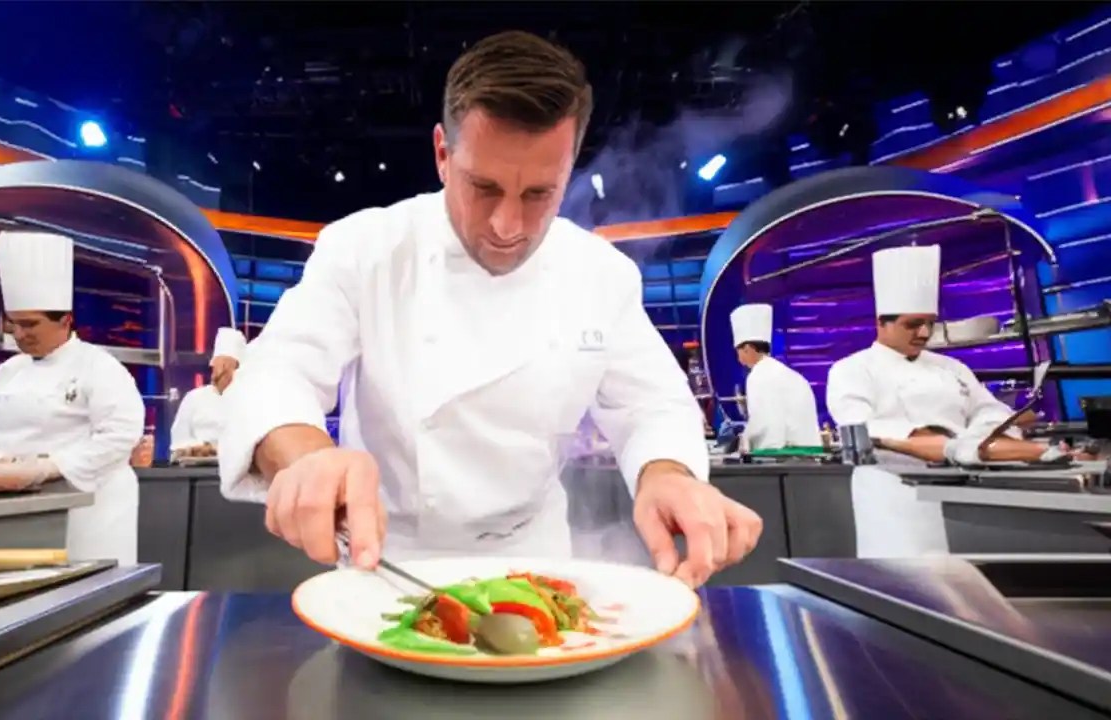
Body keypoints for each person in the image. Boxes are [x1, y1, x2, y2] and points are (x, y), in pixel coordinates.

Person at [217, 30, 763, 587]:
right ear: (441, 154)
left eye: (537, 195)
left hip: (537, 564)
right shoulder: (365, 249)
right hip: (385, 563)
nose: (508, 226)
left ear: (568, 172)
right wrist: (308, 457)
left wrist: (668, 475)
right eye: (484, 187)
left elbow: (653, 407)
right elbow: (278, 373)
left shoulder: (601, 276)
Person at [825, 245, 1061, 557]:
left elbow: (988, 409)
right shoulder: (851, 370)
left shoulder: (952, 367)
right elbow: (866, 427)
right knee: (904, 583)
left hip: (965, 491)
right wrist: (955, 446)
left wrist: (978, 439)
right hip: (895, 498)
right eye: (912, 324)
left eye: (929, 323)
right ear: (881, 322)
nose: (923, 333)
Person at [0, 231, 146, 565]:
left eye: (30, 324)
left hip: (91, 509)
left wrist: (51, 467)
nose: (20, 334)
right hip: (14, 510)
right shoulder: (7, 372)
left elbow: (121, 434)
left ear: (65, 321)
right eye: (13, 324)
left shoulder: (99, 367)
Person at [729, 303, 820, 450]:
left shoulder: (758, 376)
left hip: (785, 460)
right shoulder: (791, 375)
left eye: (738, 352)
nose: (739, 359)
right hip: (810, 458)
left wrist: (743, 441)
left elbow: (764, 426)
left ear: (747, 349)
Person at [170, 327, 247, 453]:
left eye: (225, 366)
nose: (218, 370)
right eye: (217, 364)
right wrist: (202, 448)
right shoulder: (194, 398)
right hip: (194, 470)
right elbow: (178, 441)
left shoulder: (250, 401)